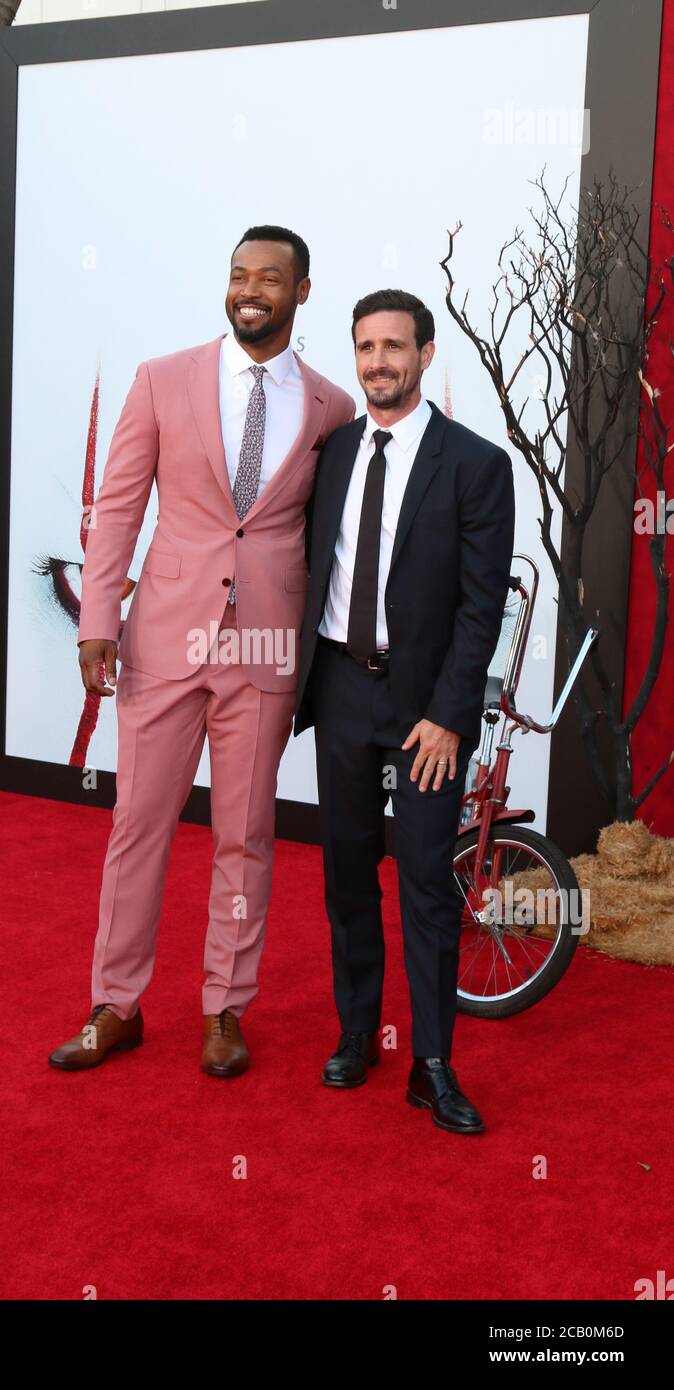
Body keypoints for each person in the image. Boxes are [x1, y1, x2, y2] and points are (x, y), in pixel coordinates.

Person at [50, 226, 356, 1078]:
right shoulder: (162, 380)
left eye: (270, 278)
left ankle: (225, 1008)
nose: (250, 289)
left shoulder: (331, 406)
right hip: (163, 641)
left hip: (264, 650)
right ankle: (115, 1004)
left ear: (302, 292)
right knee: (138, 825)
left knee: (246, 837)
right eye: (237, 275)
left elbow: (327, 534)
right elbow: (117, 511)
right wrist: (97, 620)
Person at [294, 289, 515, 1133]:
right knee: (346, 873)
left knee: (425, 884)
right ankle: (358, 1033)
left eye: (394, 345)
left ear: (425, 353)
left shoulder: (475, 465)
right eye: (365, 347)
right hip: (345, 693)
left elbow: (479, 606)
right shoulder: (335, 452)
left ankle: (432, 1064)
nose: (378, 361)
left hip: (426, 710)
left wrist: (451, 714)